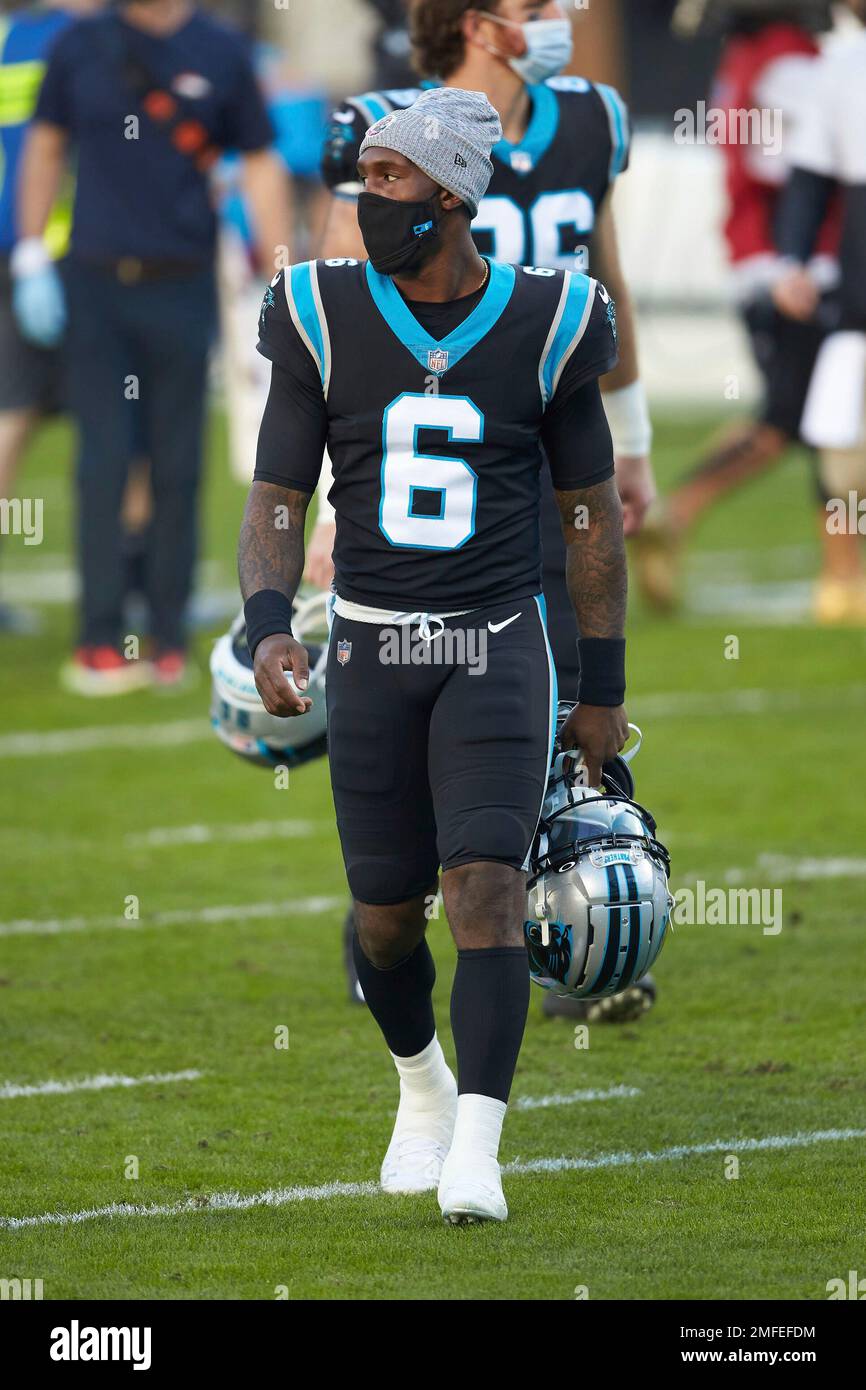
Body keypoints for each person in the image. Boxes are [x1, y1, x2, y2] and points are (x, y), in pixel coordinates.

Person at [238, 87, 628, 1223]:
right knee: (380, 915)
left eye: (394, 179)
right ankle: (420, 1090)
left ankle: (479, 1152)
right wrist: (268, 623)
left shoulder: (549, 317)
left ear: (454, 194)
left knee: (486, 891)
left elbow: (589, 520)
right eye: (364, 178)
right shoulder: (316, 310)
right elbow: (275, 496)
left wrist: (599, 689)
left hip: (497, 643)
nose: (369, 198)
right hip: (368, 642)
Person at [313, 0, 658, 1021]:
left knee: (567, 706)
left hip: (550, 448)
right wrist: (334, 494)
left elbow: (609, 280)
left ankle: (569, 933)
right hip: (437, 473)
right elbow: (332, 308)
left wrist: (629, 434)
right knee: (431, 713)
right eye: (531, 4)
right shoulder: (386, 127)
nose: (556, 19)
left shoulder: (590, 118)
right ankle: (388, 919)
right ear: (473, 19)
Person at [13, 0, 291, 693]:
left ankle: (167, 636)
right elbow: (46, 143)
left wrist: (279, 266)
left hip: (185, 280)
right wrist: (28, 251)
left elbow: (259, 160)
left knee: (178, 461)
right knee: (102, 461)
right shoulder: (81, 45)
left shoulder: (221, 51)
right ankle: (100, 638)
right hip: (95, 282)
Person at [634, 0, 847, 621]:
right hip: (797, 267)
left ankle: (840, 570)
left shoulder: (747, 55)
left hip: (763, 260)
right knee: (802, 422)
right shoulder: (786, 56)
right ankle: (839, 574)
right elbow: (788, 162)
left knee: (798, 419)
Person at [0, 0, 99, 634]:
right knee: (131, 424)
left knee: (12, 416)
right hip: (79, 255)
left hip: (16, 254)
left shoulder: (13, 37)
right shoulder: (90, 39)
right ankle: (136, 589)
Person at [773, 0, 866, 615]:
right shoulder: (845, 65)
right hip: (860, 289)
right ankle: (843, 580)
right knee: (843, 447)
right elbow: (810, 176)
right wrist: (793, 259)